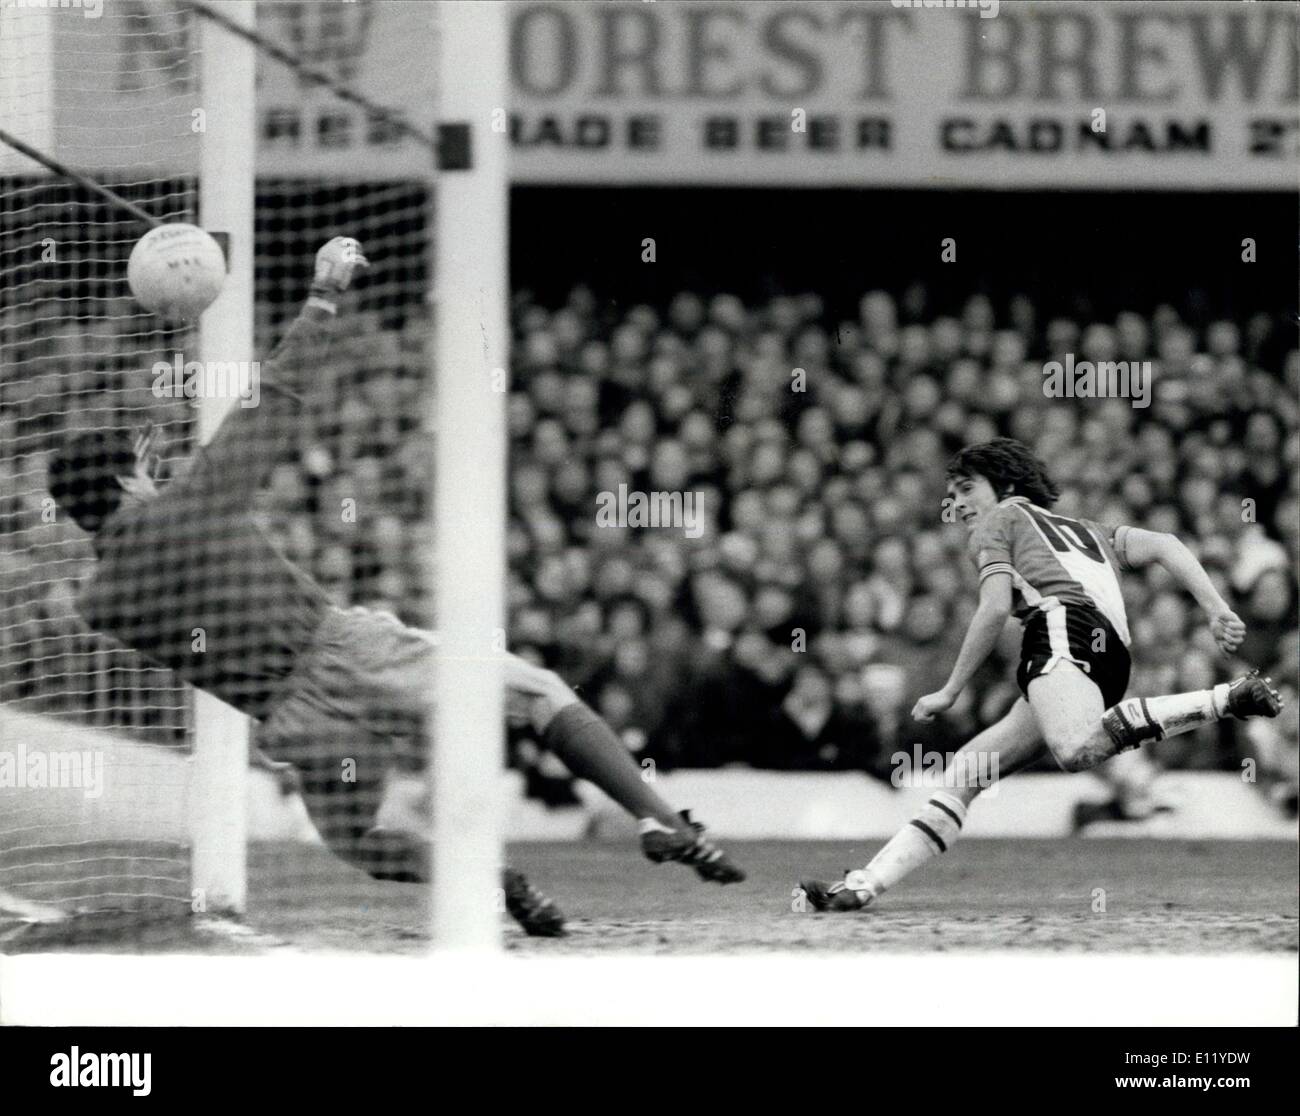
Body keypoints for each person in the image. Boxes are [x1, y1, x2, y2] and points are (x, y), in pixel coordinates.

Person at [47, 238, 742, 939]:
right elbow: (277, 400)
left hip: (299, 726)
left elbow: (129, 552)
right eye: (140, 465)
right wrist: (323, 298)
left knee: (363, 846)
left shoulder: (98, 603)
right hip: (349, 654)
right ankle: (655, 815)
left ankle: (489, 881)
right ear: (123, 481)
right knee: (538, 694)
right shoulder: (190, 505)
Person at [799, 437, 1283, 911]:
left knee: (1075, 749)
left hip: (1060, 629)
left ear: (1006, 486)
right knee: (968, 770)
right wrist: (1216, 608)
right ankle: (865, 884)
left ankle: (1228, 699)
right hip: (1109, 655)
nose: (958, 503)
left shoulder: (999, 522)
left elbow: (991, 611)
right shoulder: (1086, 530)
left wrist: (950, 689)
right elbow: (1165, 544)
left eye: (967, 488)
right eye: (953, 494)